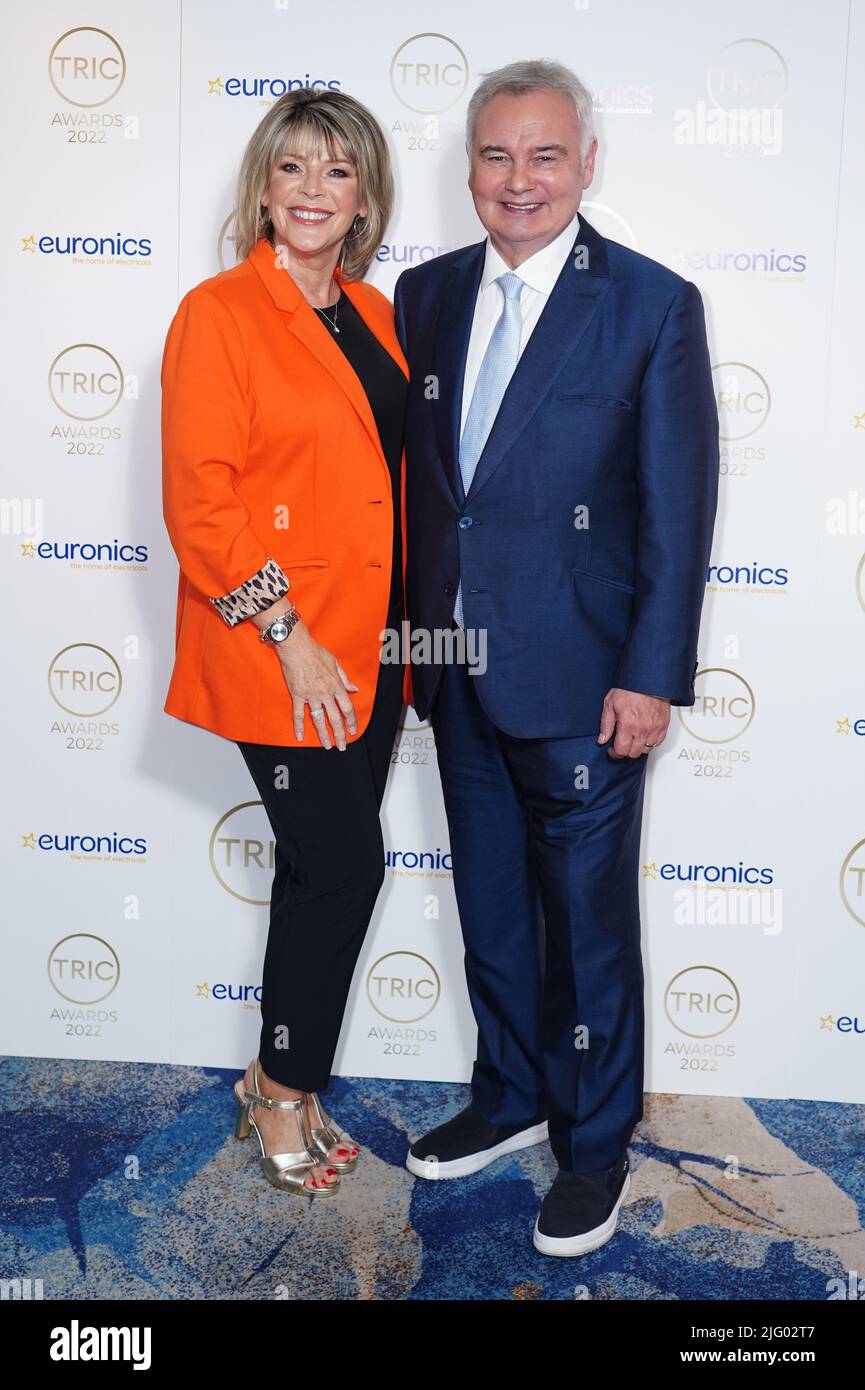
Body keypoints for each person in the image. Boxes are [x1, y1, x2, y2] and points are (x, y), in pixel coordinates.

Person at [394, 59, 719, 1254]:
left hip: (586, 679)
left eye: (542, 155)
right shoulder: (421, 298)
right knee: (490, 906)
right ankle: (512, 1091)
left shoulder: (649, 303)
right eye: (494, 155)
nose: (517, 179)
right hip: (454, 665)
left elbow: (676, 513)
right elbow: (433, 501)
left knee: (585, 927)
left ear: (586, 164)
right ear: (467, 169)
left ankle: (594, 1145)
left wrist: (650, 673)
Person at [161, 88, 410, 1197]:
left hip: (381, 647)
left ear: (363, 199)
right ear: (264, 185)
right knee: (346, 860)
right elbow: (200, 506)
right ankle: (279, 1086)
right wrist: (287, 631)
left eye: (337, 172)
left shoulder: (377, 312)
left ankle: (288, 1079)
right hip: (284, 650)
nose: (313, 191)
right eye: (293, 168)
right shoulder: (217, 312)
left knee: (322, 869)